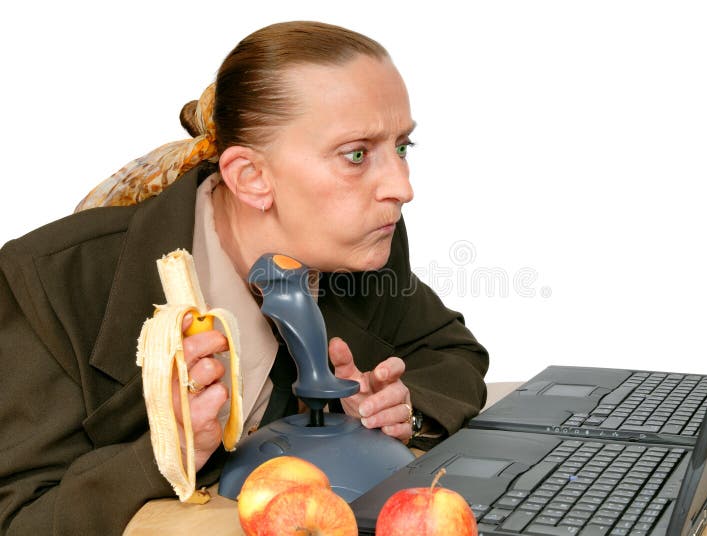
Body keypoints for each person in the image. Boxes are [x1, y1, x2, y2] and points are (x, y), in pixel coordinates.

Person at [0, 21, 488, 534]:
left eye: (402, 147)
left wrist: (400, 407)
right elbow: (16, 514)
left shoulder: (363, 243)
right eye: (358, 155)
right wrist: (164, 455)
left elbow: (453, 352)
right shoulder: (47, 283)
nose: (401, 187)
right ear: (251, 178)